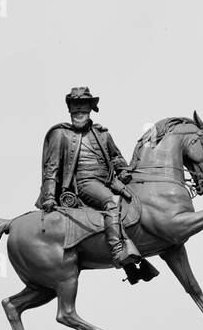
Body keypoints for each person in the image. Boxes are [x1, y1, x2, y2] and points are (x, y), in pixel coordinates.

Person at [36, 86, 155, 284]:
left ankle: (133, 265)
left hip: (109, 181)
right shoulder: (61, 134)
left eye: (83, 106)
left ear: (90, 108)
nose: (78, 110)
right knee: (110, 203)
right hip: (83, 184)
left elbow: (116, 157)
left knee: (133, 205)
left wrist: (124, 170)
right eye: (75, 106)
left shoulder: (102, 134)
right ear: (70, 109)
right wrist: (49, 195)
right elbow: (52, 167)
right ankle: (118, 251)